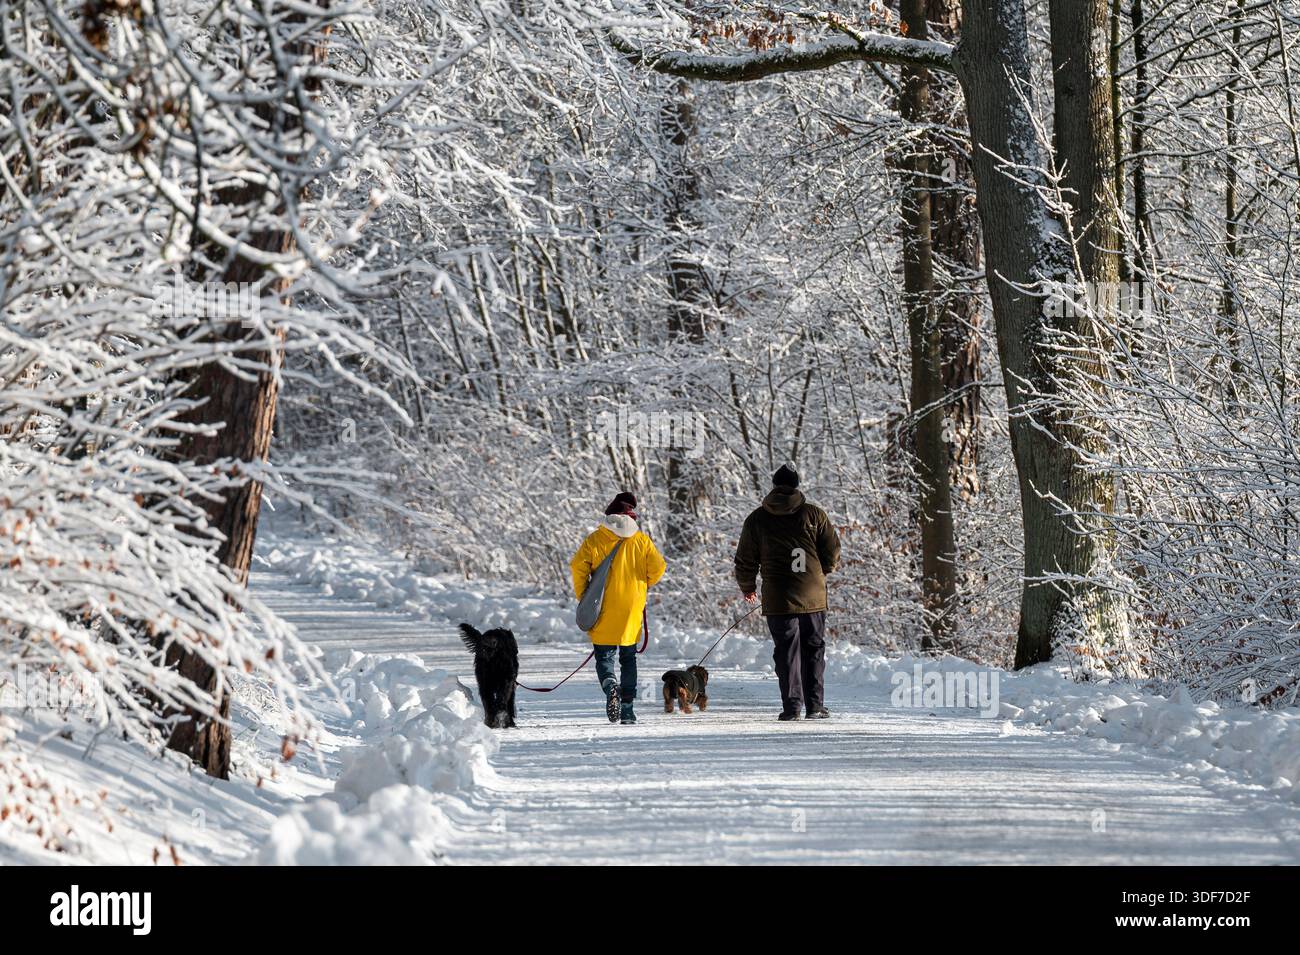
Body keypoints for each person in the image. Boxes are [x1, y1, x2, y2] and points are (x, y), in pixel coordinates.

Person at [734, 465, 841, 721]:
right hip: (812, 594)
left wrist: (747, 587)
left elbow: (745, 559)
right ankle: (815, 706)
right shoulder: (814, 514)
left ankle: (792, 707)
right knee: (813, 649)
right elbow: (832, 550)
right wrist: (821, 571)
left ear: (774, 485)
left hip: (779, 597)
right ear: (796, 484)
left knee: (786, 651)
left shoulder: (757, 518)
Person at [570, 492, 666, 725]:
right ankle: (627, 708)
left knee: (604, 657)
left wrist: (584, 595)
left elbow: (577, 567)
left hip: (601, 605)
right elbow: (658, 568)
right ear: (632, 516)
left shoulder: (595, 539)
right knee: (628, 657)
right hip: (631, 608)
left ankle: (610, 685)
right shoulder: (641, 540)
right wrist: (641, 585)